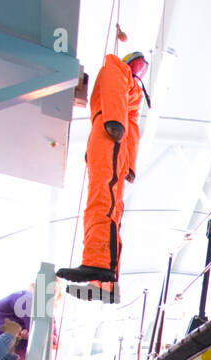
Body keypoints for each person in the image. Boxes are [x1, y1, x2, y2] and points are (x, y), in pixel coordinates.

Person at [57, 51, 148, 285]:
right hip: (112, 138)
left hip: (106, 135)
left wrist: (113, 123)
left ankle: (98, 264)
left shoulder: (114, 67)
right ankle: (105, 281)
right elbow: (133, 125)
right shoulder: (133, 90)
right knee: (110, 204)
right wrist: (129, 164)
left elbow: (113, 91)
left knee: (102, 198)